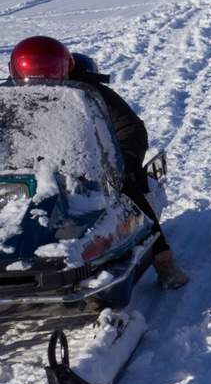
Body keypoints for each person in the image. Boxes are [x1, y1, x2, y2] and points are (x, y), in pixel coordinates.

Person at [7, 37, 189, 289]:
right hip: (26, 165)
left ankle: (163, 260)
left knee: (130, 193)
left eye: (48, 74)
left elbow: (130, 128)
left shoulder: (88, 92)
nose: (42, 84)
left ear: (64, 68)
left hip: (86, 161)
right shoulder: (11, 96)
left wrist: (121, 161)